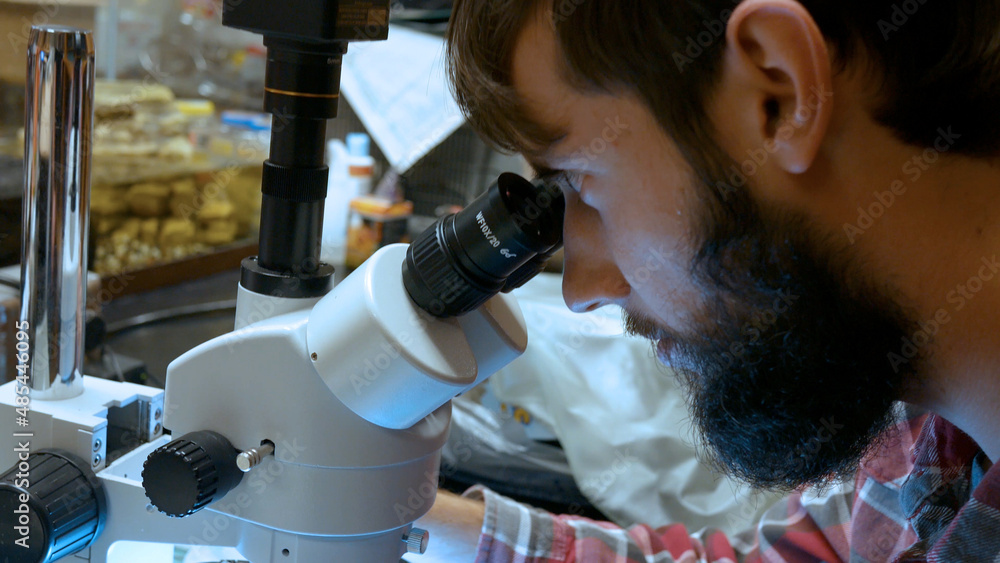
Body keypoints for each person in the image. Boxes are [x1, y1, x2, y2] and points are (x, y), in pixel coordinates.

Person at [416, 0, 1000, 560]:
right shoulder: (920, 438)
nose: (581, 289)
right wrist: (411, 522)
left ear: (779, 94)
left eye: (578, 182)